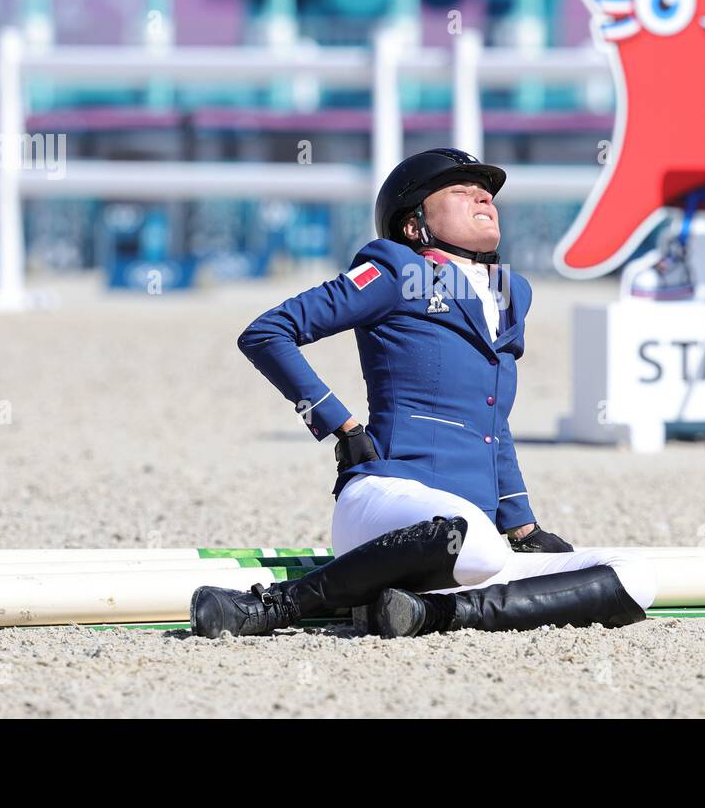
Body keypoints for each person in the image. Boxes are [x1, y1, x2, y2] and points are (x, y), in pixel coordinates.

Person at [191, 147, 657, 638]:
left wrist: (523, 525)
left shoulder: (509, 293)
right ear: (414, 225)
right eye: (463, 191)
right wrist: (340, 425)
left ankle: (428, 614)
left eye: (488, 194)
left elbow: (493, 424)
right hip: (386, 504)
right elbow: (268, 333)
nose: (484, 199)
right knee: (472, 540)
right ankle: (275, 606)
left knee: (634, 575)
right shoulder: (393, 269)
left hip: (473, 543)